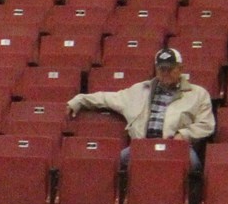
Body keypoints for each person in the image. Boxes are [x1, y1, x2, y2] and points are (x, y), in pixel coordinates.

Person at [65, 47, 215, 172]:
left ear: (180, 69)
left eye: (170, 69)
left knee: (194, 166)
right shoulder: (139, 91)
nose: (165, 73)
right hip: (141, 146)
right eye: (161, 69)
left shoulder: (198, 94)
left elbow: (206, 125)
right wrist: (78, 100)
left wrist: (183, 135)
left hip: (177, 146)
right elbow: (106, 98)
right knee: (112, 164)